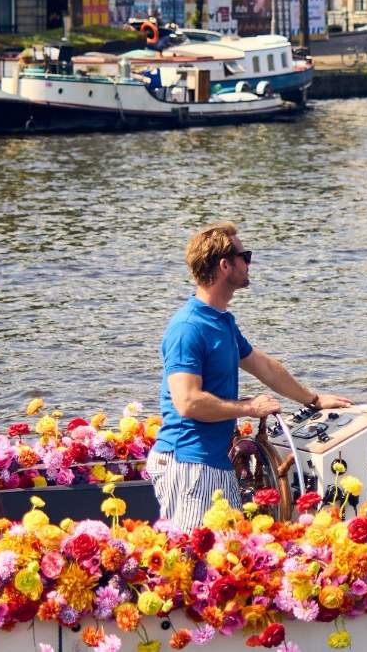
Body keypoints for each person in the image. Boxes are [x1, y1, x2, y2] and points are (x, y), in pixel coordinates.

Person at [151, 223, 353, 525]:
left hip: (213, 462)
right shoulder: (188, 328)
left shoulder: (222, 321)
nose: (249, 263)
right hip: (189, 463)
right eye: (245, 256)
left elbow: (265, 367)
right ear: (224, 265)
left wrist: (313, 399)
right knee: (195, 551)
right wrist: (248, 408)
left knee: (228, 548)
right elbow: (188, 402)